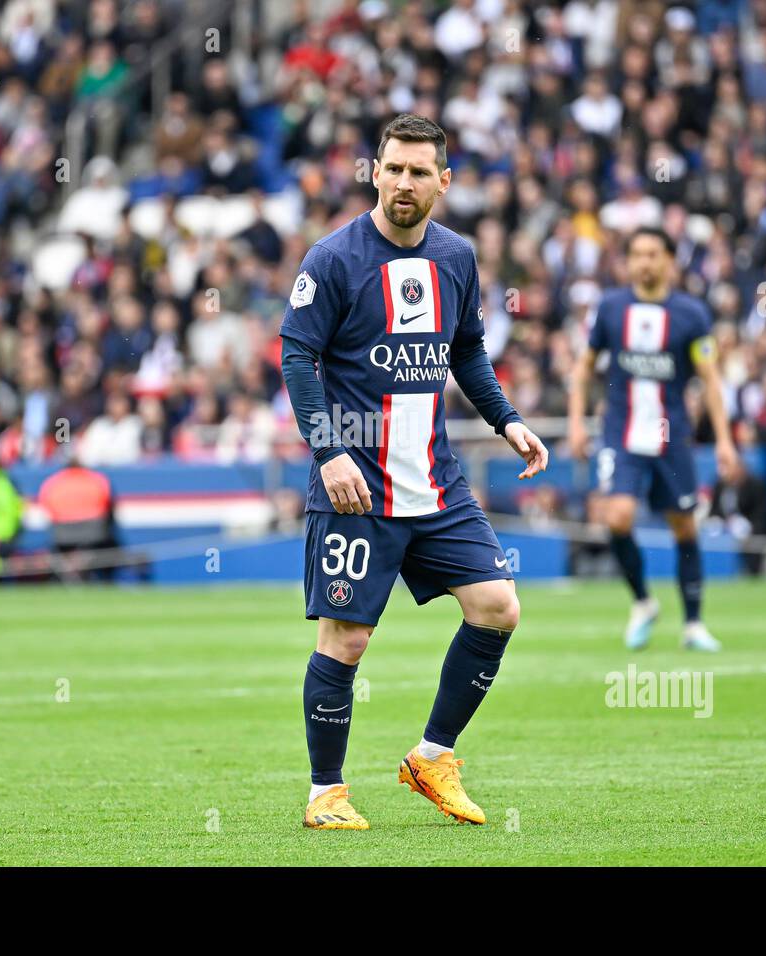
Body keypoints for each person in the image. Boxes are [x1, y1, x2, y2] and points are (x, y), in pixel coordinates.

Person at [280, 114, 549, 830]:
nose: (404, 183)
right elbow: (296, 358)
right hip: (356, 482)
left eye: (419, 172)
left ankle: (431, 756)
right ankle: (325, 793)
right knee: (347, 638)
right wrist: (329, 451)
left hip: (433, 479)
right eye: (392, 168)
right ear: (374, 171)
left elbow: (467, 350)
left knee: (498, 608)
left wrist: (508, 419)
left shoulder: (457, 258)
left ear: (444, 182)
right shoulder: (333, 259)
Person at [568, 226, 739, 651]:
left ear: (668, 260)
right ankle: (643, 601)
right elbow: (584, 368)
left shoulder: (692, 314)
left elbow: (710, 379)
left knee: (683, 525)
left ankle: (694, 623)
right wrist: (575, 422)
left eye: (653, 254)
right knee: (618, 516)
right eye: (637, 254)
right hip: (621, 436)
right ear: (627, 261)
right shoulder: (609, 308)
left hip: (671, 437)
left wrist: (724, 440)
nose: (644, 262)